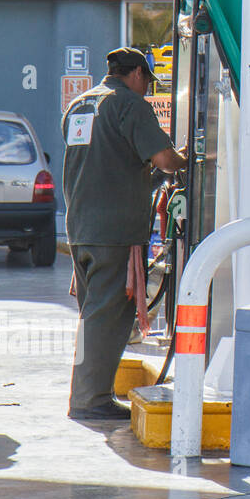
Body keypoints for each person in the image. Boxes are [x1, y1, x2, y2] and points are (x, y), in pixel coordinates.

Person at [62, 48, 186, 421]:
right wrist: (188, 160)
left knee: (92, 314)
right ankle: (88, 400)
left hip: (81, 227)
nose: (147, 89)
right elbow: (164, 159)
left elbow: (106, 160)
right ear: (135, 74)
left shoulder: (79, 106)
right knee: (106, 317)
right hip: (114, 231)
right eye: (147, 81)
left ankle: (89, 394)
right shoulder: (128, 104)